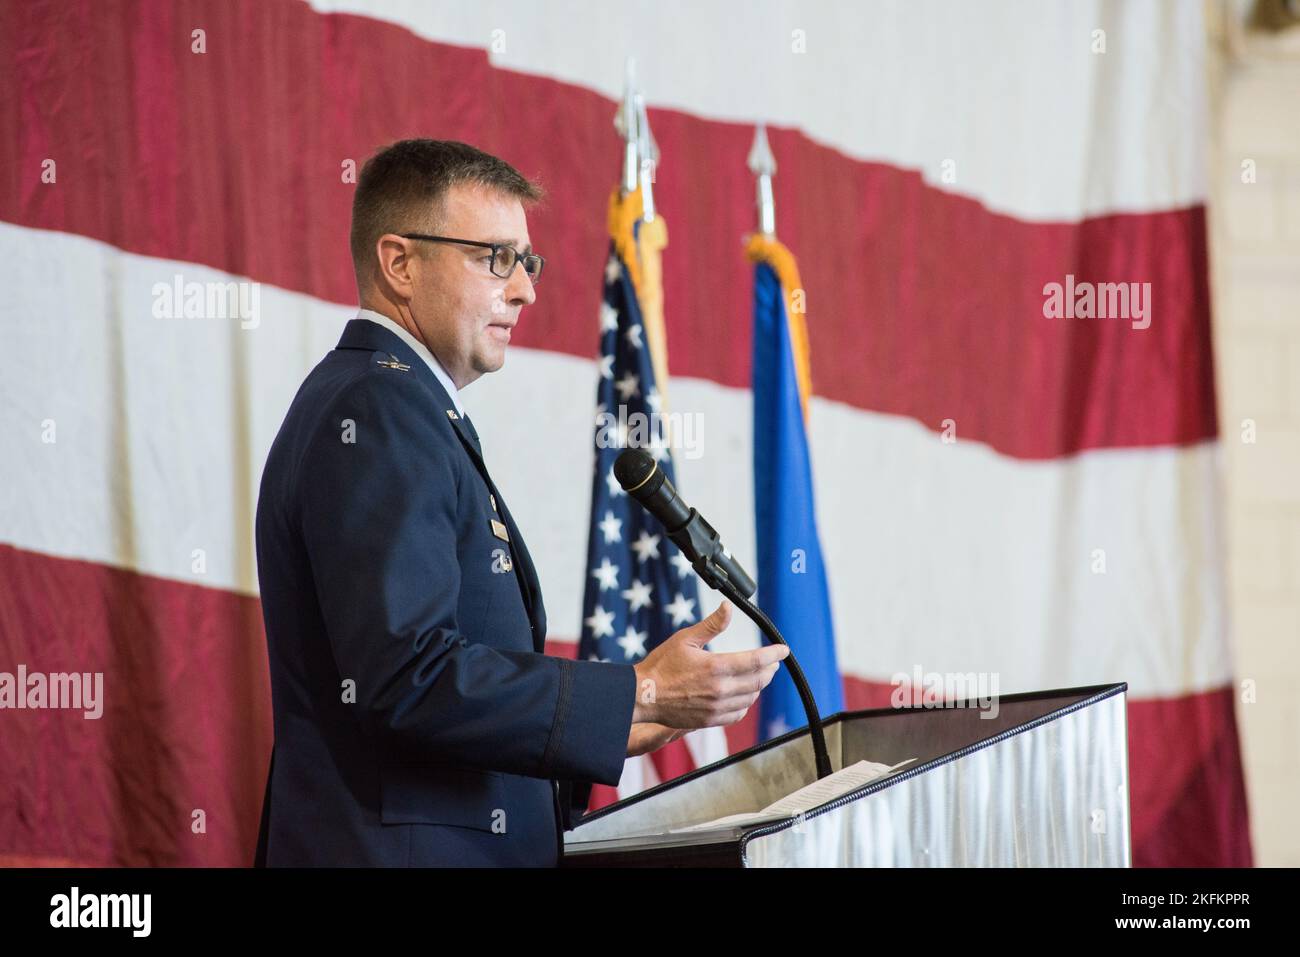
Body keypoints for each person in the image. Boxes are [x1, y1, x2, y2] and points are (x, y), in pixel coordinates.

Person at [252, 139, 788, 866]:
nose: (525, 290)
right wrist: (638, 690)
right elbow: (407, 677)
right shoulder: (378, 408)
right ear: (399, 263)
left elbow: (430, 697)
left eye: (526, 261)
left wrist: (626, 719)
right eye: (494, 258)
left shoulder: (403, 405)